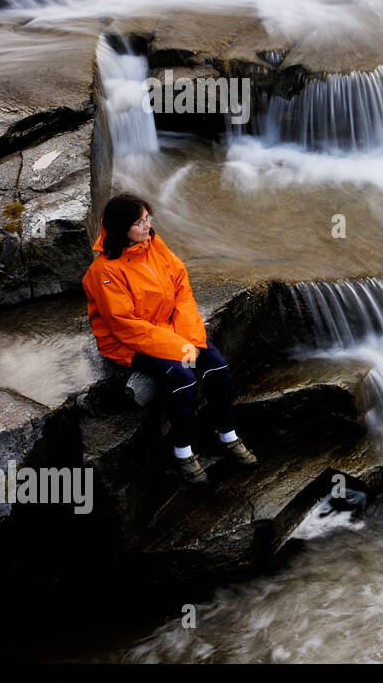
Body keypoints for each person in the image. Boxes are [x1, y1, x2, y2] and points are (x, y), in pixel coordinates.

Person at [82, 192, 258, 486]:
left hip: (169, 330)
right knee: (183, 377)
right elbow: (124, 325)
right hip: (127, 343)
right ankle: (182, 453)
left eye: (148, 218)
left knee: (216, 367)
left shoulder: (154, 246)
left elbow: (181, 287)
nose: (147, 226)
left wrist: (189, 336)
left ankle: (227, 435)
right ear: (121, 227)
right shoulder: (104, 272)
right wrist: (180, 348)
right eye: (140, 222)